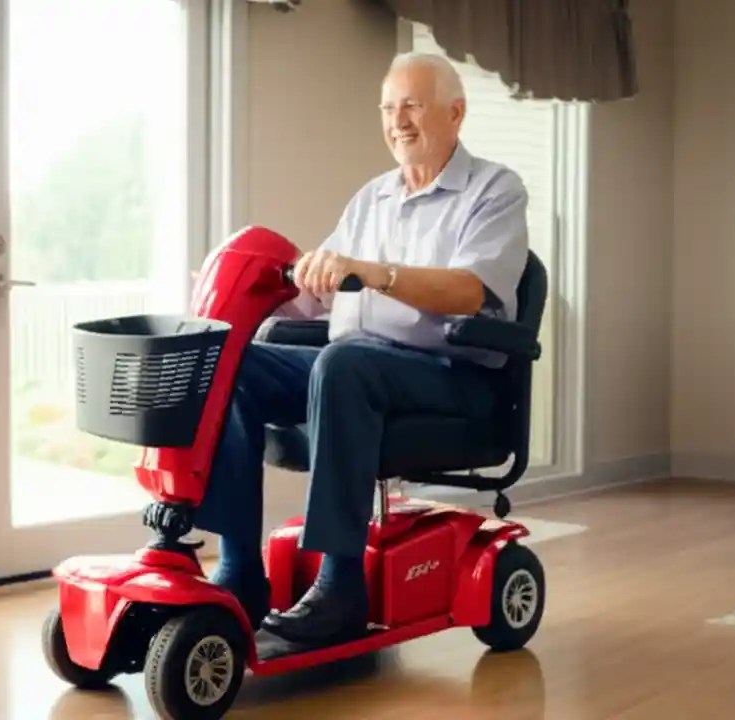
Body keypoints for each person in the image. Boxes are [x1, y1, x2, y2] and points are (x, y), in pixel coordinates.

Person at [193, 50, 530, 645]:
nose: (398, 120)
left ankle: (340, 586)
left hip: (452, 375)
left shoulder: (494, 190)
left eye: (413, 105)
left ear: (456, 113)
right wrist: (259, 293)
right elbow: (318, 293)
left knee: (343, 364)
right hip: (353, 364)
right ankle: (240, 569)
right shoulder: (371, 197)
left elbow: (470, 290)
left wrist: (375, 273)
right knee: (230, 363)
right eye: (389, 107)